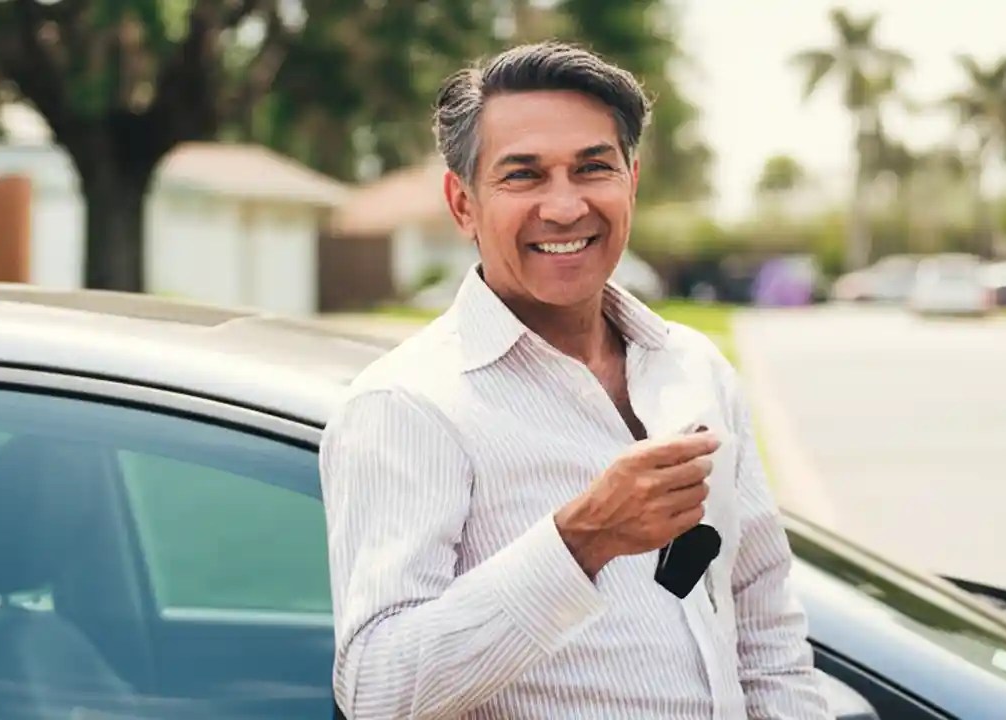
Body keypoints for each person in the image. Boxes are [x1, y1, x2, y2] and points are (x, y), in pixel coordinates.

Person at [320, 41, 832, 720]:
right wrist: (580, 541)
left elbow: (764, 623)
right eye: (523, 176)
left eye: (592, 168)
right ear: (463, 203)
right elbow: (378, 690)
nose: (564, 208)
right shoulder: (408, 404)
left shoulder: (694, 367)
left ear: (632, 181)